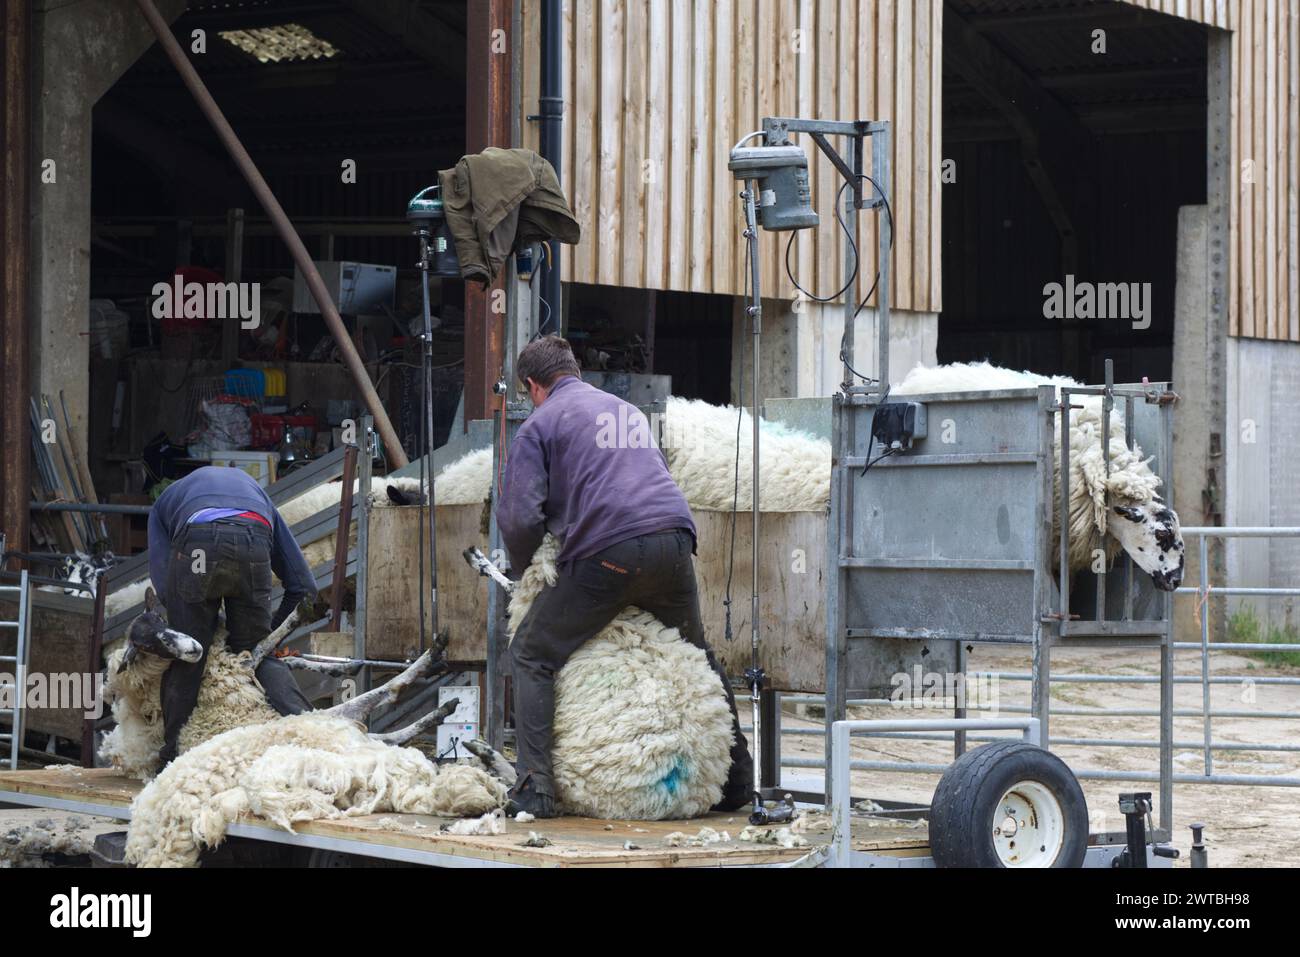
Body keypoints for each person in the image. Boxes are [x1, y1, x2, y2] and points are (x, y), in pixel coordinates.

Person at [496, 335, 754, 818]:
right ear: (575, 372)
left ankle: (534, 788)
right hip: (675, 541)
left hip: (609, 551)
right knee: (696, 651)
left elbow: (519, 517)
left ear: (533, 386)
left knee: (531, 652)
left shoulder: (538, 425)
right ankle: (739, 781)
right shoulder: (625, 411)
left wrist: (526, 570)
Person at [147, 466, 317, 765]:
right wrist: (269, 637)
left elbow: (163, 583)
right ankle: (315, 739)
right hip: (254, 536)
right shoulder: (258, 495)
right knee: (257, 654)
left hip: (197, 543)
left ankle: (172, 760)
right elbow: (304, 587)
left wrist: (200, 631)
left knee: (190, 656)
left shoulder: (163, 504)